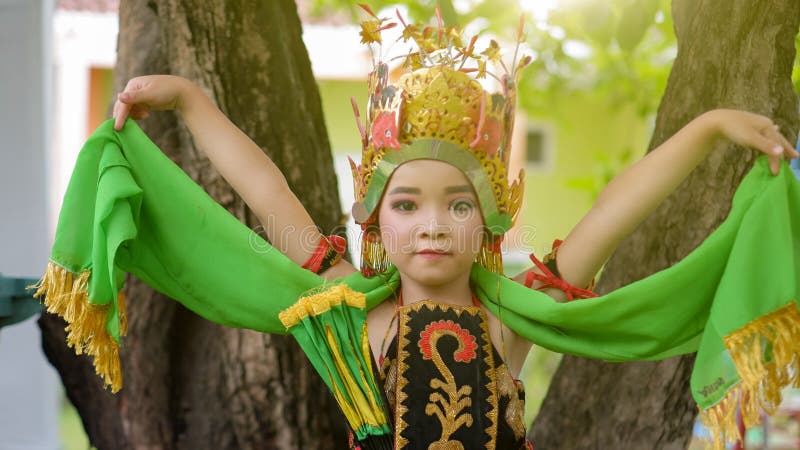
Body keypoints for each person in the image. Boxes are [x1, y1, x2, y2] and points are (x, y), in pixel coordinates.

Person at [32, 9, 800, 450]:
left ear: (490, 220)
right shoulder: (347, 309)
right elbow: (268, 194)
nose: (433, 225)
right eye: (407, 205)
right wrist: (193, 102)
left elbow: (612, 210)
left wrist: (706, 128)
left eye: (457, 205)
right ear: (375, 220)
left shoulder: (512, 316)